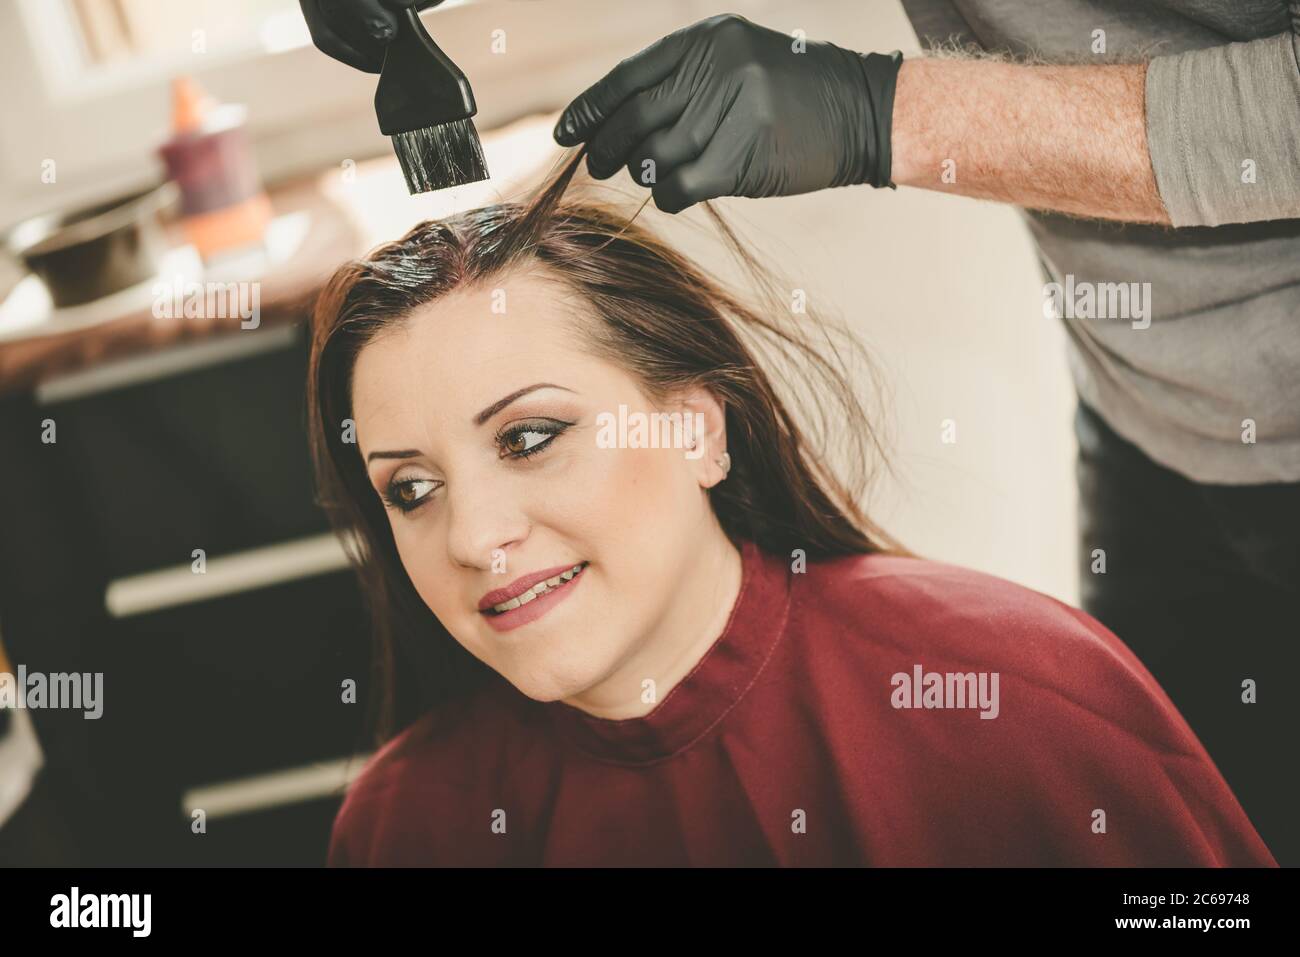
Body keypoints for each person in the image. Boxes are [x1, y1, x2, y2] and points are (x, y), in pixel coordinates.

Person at [302, 0, 1300, 867]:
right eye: (410, 490)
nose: (472, 539)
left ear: (697, 430)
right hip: (1163, 410)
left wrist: (886, 114)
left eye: (529, 437)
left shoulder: (1017, 714)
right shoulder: (402, 832)